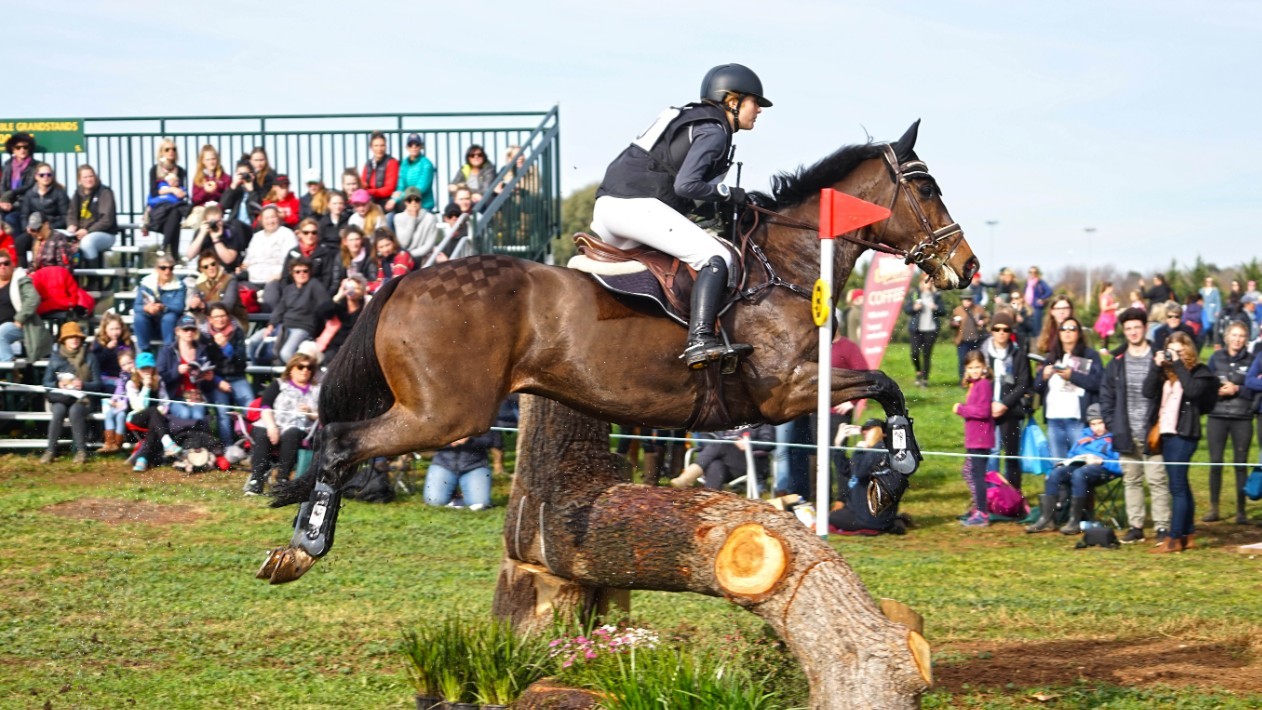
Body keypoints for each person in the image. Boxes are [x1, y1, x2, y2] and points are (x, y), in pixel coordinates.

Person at [589, 64, 769, 370]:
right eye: (755, 102)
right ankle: (700, 338)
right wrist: (729, 193)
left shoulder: (694, 120)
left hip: (612, 208)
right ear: (732, 100)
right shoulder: (714, 130)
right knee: (715, 256)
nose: (759, 111)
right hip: (633, 206)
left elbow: (680, 192)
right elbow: (686, 185)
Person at [1100, 307, 1171, 544]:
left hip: (1154, 432)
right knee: (1131, 480)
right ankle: (1136, 526)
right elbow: (1106, 396)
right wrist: (1113, 424)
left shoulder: (1158, 358)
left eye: (1136, 327)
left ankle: (1162, 527)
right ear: (1124, 331)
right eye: (1128, 328)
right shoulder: (1116, 362)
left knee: (1157, 480)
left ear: (1145, 328)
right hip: (1125, 432)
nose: (1132, 332)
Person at [1144, 331, 1217, 553]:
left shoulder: (1199, 372)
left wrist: (1177, 364)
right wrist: (1157, 366)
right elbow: (1147, 391)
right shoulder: (1166, 374)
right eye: (1171, 350)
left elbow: (1193, 392)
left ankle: (1173, 538)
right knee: (1181, 485)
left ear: (1187, 350)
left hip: (1184, 435)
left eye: (1179, 350)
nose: (1174, 354)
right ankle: (1188, 533)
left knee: (1176, 487)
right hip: (1166, 434)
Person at [1025, 404, 1121, 534]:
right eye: (1093, 424)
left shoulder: (1115, 437)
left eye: (1100, 423)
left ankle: (1074, 521)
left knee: (1078, 474)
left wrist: (1102, 461)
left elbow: (1122, 465)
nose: (1097, 427)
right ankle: (1047, 519)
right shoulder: (1085, 436)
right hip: (1080, 464)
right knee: (1055, 473)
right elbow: (1072, 454)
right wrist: (1070, 460)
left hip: (1102, 469)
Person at [243, 352, 320, 495]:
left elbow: (323, 416)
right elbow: (265, 407)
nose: (305, 370)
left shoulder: (317, 390)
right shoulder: (278, 384)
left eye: (309, 368)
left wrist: (310, 412)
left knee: (292, 433)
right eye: (300, 367)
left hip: (300, 428)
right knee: (261, 432)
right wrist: (272, 427)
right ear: (291, 369)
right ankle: (256, 480)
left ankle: (282, 480)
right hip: (271, 422)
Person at [1205, 321, 1254, 523]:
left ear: (1246, 339)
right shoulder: (1215, 358)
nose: (1237, 339)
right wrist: (1215, 391)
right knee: (1215, 462)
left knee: (1240, 464)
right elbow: (1204, 384)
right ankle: (1214, 508)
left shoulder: (1253, 360)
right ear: (1226, 337)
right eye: (1234, 335)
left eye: (1241, 336)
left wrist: (1238, 390)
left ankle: (1241, 511)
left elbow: (1255, 388)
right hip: (1216, 416)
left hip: (1241, 417)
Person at [826, 420, 912, 535]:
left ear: (884, 433)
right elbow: (846, 470)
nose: (864, 432)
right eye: (863, 429)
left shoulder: (881, 449)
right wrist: (838, 445)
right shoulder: (875, 450)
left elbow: (858, 472)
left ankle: (890, 523)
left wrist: (859, 450)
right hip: (867, 514)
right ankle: (894, 521)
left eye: (869, 428)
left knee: (827, 518)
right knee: (834, 515)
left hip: (867, 519)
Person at [1035, 316, 1103, 460]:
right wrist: (1043, 376)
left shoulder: (1090, 355)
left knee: (1078, 463)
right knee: (1058, 466)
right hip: (1053, 420)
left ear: (1078, 333)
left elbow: (1097, 382)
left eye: (1072, 329)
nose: (1067, 332)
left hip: (1077, 420)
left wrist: (1072, 376)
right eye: (1063, 329)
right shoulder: (1053, 357)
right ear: (1058, 334)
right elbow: (1037, 387)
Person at [981, 309, 1033, 492]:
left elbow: (1023, 383)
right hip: (986, 411)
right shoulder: (983, 353)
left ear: (1011, 332)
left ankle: (1013, 497)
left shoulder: (1018, 355)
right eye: (997, 329)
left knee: (1011, 456)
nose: (1001, 332)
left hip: (1010, 411)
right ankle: (991, 495)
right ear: (991, 330)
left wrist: (1004, 404)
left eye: (1005, 329)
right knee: (991, 454)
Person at [41, 322, 101, 464]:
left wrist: (83, 384)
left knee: (75, 411)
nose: (74, 340)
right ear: (63, 340)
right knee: (59, 411)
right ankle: (50, 451)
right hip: (60, 397)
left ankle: (81, 452)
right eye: (70, 337)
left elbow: (98, 384)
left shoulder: (90, 357)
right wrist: (58, 384)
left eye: (77, 337)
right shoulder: (55, 358)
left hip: (84, 398)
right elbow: (46, 383)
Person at [255, 256, 330, 364]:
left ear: (310, 272)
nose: (301, 274)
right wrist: (271, 325)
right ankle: (260, 377)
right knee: (254, 342)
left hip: (303, 327)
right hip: (284, 326)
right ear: (292, 273)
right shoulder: (289, 289)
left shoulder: (314, 285)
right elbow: (280, 309)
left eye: (305, 271)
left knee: (286, 353)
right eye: (297, 272)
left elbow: (326, 304)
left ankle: (300, 376)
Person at [954, 350, 995, 527]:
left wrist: (961, 409)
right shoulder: (974, 385)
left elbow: (983, 411)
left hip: (981, 439)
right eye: (971, 367)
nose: (975, 370)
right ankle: (979, 505)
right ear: (966, 369)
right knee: (969, 471)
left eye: (978, 367)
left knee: (976, 474)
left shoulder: (984, 384)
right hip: (974, 438)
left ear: (984, 367)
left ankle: (982, 512)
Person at [125, 350, 184, 473]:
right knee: (152, 411)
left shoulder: (159, 381)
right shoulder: (131, 384)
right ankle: (167, 442)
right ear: (137, 369)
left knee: (154, 424)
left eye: (149, 368)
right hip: (137, 418)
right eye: (143, 369)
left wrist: (162, 409)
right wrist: (146, 387)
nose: (146, 371)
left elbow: (165, 401)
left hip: (155, 420)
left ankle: (142, 459)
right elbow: (139, 406)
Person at [203, 302, 252, 446]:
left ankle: (251, 444)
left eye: (223, 316)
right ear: (210, 319)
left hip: (237, 376)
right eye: (216, 316)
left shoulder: (237, 332)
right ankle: (227, 447)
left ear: (228, 317)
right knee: (223, 412)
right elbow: (205, 364)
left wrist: (226, 347)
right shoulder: (205, 336)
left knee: (250, 407)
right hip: (217, 379)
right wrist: (218, 381)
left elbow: (241, 360)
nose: (220, 319)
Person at [157, 314, 218, 423]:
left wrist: (209, 378)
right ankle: (185, 439)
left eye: (192, 329)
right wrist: (177, 371)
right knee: (185, 414)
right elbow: (161, 377)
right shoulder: (167, 351)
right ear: (177, 331)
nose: (189, 332)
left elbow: (208, 385)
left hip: (197, 397)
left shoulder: (202, 350)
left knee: (198, 416)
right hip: (175, 397)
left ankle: (194, 440)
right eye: (186, 329)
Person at [422, 429, 502, 510]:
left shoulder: (482, 417)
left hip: (475, 466)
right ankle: (453, 495)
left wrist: (470, 440)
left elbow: (493, 441)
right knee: (433, 501)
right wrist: (448, 442)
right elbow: (427, 442)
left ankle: (459, 499)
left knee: (479, 504)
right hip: (443, 464)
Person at [240, 205, 297, 303]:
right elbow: (247, 261)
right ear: (261, 220)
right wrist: (242, 267)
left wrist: (278, 276)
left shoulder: (286, 234)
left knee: (271, 291)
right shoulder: (256, 237)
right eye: (267, 218)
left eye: (273, 217)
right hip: (253, 280)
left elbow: (292, 262)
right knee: (233, 284)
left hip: (274, 280)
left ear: (278, 218)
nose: (270, 221)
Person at [0, 252, 49, 361]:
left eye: (6, 263)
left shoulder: (20, 279)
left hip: (19, 325)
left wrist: (19, 319)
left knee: (1, 334)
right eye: (0, 264)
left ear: (12, 265)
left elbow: (33, 299)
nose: (2, 267)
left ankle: (9, 370)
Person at [65, 165, 118, 264]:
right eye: (85, 177)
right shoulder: (78, 193)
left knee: (87, 243)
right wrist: (72, 225)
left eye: (91, 176)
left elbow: (107, 220)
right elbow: (71, 213)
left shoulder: (104, 192)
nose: (89, 179)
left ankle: (93, 277)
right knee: (61, 242)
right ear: (79, 180)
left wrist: (88, 231)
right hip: (81, 233)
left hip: (105, 233)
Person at [132, 254, 186, 351]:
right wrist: (146, 308)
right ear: (157, 269)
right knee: (139, 318)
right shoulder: (146, 283)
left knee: (169, 317)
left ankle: (168, 351)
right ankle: (145, 352)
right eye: (163, 268)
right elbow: (136, 307)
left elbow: (179, 307)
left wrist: (163, 307)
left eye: (171, 268)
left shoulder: (179, 285)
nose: (167, 271)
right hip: (150, 323)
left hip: (169, 324)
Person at [146, 140, 188, 255]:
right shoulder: (155, 170)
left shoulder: (180, 171)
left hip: (173, 208)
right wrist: (172, 189)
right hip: (159, 210)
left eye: (173, 149)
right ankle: (174, 255)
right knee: (174, 216)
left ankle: (164, 247)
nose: (171, 152)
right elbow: (154, 192)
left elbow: (182, 193)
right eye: (167, 149)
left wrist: (178, 191)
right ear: (161, 152)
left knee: (175, 212)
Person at [187, 251, 247, 329]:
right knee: (191, 326)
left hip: (230, 319)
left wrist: (204, 305)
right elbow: (195, 306)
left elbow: (228, 305)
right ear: (201, 270)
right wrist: (194, 305)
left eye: (213, 264)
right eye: (206, 267)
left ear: (217, 264)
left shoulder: (229, 279)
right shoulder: (199, 284)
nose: (210, 268)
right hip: (209, 320)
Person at [281, 217, 343, 294]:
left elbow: (327, 278)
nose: (310, 235)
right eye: (306, 232)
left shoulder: (325, 253)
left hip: (317, 293)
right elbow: (285, 278)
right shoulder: (292, 253)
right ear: (300, 234)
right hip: (295, 293)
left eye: (314, 232)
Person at [903, 275, 945, 388]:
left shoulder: (936, 296)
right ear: (921, 282)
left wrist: (935, 308)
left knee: (926, 355)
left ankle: (925, 380)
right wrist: (914, 308)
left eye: (931, 281)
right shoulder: (915, 294)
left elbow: (943, 311)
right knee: (914, 353)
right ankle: (918, 372)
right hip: (916, 329)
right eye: (926, 281)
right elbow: (906, 309)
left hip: (930, 329)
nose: (929, 283)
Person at [317, 273, 368, 363]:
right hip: (333, 348)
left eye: (356, 288)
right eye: (349, 287)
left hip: (354, 349)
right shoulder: (338, 305)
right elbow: (322, 313)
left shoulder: (366, 308)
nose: (352, 291)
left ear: (362, 291)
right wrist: (338, 296)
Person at [184, 202, 246, 270]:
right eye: (212, 222)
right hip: (206, 272)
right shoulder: (201, 232)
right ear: (205, 221)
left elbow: (228, 260)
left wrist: (216, 239)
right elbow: (190, 255)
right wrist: (202, 235)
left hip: (225, 272)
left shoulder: (230, 232)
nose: (215, 225)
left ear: (222, 219)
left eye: (218, 222)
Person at [0, 132, 38, 232]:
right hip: (8, 202)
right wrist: (5, 201)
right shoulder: (8, 165)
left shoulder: (35, 166)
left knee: (10, 218)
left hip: (25, 203)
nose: (22, 150)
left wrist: (11, 194)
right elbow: (3, 185)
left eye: (25, 147)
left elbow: (29, 186)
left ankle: (17, 246)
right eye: (18, 147)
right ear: (12, 149)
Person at [100, 349, 135, 454]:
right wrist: (114, 399)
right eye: (124, 365)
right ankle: (109, 442)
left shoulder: (137, 375)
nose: (127, 366)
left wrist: (122, 403)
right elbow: (119, 389)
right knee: (109, 413)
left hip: (131, 404)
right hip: (121, 404)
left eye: (129, 363)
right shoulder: (123, 375)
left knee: (121, 416)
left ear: (134, 361)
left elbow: (132, 394)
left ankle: (118, 444)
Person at [90, 310, 135, 392]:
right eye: (111, 329)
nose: (115, 332)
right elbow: (96, 363)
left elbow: (133, 358)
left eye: (117, 329)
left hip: (125, 376)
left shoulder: (127, 341)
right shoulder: (99, 342)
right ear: (105, 329)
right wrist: (107, 350)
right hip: (106, 377)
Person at [392, 186, 440, 262]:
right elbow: (404, 243)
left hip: (423, 257)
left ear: (421, 201)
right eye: (409, 200)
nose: (413, 203)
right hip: (405, 258)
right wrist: (412, 219)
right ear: (405, 202)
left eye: (416, 200)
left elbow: (429, 245)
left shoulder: (430, 218)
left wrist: (410, 254)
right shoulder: (398, 217)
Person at [394, 133, 436, 212]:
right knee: (390, 217)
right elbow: (401, 185)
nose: (414, 147)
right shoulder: (404, 163)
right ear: (407, 147)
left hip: (424, 206)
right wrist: (394, 199)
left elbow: (420, 189)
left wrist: (401, 195)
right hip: (407, 205)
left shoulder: (427, 164)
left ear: (421, 147)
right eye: (410, 144)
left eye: (417, 144)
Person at [950, 293, 988, 379]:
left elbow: (986, 318)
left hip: (976, 340)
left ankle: (976, 379)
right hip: (962, 340)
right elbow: (951, 322)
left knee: (976, 360)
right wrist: (954, 323)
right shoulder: (957, 310)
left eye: (969, 299)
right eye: (965, 300)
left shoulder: (978, 309)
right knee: (962, 361)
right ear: (962, 300)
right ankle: (963, 381)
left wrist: (983, 322)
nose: (968, 302)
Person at [220, 158, 264, 230]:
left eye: (246, 174)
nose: (243, 176)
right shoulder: (235, 190)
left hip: (250, 228)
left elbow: (256, 209)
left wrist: (251, 190)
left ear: (252, 174)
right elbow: (223, 205)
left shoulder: (257, 191)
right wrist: (233, 186)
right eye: (240, 174)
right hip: (234, 227)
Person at [360, 131, 400, 209]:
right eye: (376, 146)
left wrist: (371, 192)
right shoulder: (368, 164)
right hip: (370, 199)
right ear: (371, 147)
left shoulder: (392, 162)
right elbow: (363, 184)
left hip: (385, 201)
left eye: (382, 145)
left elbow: (389, 189)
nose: (379, 149)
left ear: (386, 146)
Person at [190, 144, 231, 209]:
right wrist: (205, 191)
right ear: (202, 161)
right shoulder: (198, 178)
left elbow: (227, 199)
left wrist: (214, 192)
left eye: (213, 159)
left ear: (217, 159)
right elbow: (194, 200)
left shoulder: (225, 178)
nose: (211, 162)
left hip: (218, 210)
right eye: (208, 159)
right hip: (201, 209)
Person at [1025, 266, 1053, 336]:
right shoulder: (1028, 283)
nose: (1032, 274)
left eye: (1034, 272)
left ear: (1037, 273)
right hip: (1028, 307)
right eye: (1030, 272)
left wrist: (1042, 298)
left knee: (1037, 329)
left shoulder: (1040, 282)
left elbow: (1049, 291)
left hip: (1037, 307)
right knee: (1029, 328)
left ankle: (1038, 345)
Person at [1093, 281, 1119, 351]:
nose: (1112, 289)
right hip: (1106, 318)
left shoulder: (1108, 296)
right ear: (1108, 287)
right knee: (1104, 334)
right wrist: (1113, 306)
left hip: (1109, 317)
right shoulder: (1105, 296)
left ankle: (1105, 349)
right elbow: (1103, 308)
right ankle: (1103, 348)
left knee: (1107, 334)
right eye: (1111, 287)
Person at [1200, 277, 1222, 348]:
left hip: (1213, 310)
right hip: (1204, 309)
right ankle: (1206, 340)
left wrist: (1218, 310)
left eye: (1210, 281)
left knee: (1213, 326)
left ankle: (1213, 340)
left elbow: (1218, 301)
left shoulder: (1215, 290)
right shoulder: (1202, 290)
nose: (1209, 283)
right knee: (1205, 325)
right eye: (1208, 281)